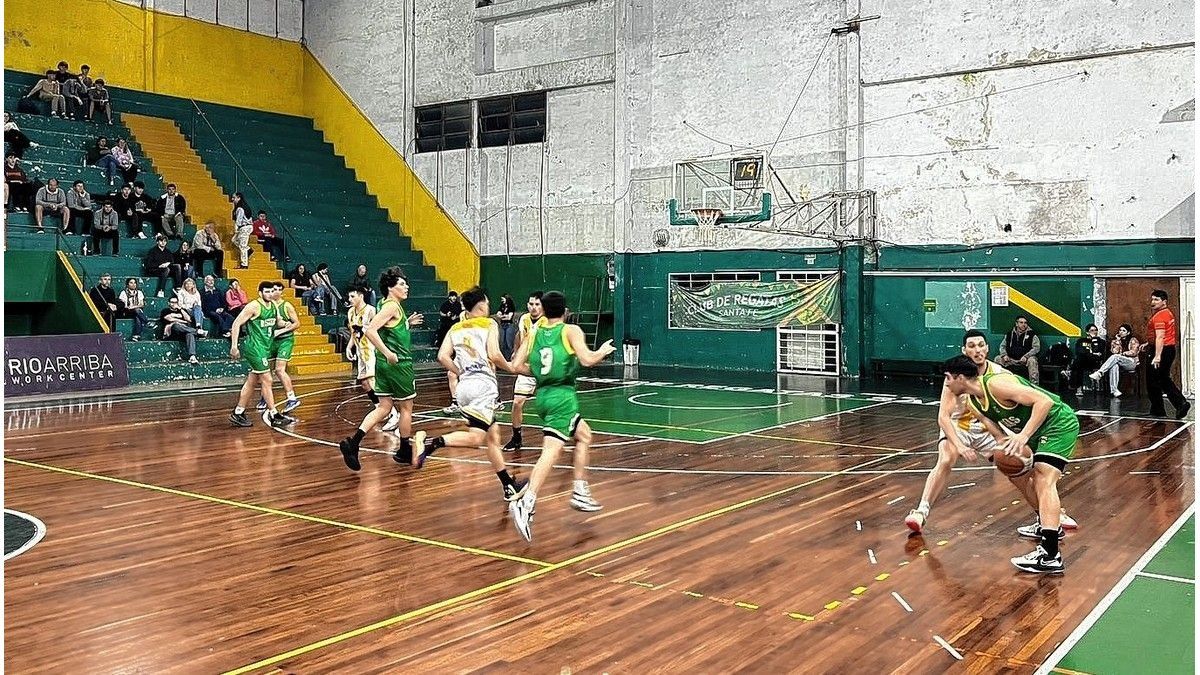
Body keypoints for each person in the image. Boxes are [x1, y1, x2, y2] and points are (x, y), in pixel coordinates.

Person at [906, 330, 1078, 535]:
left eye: (980, 345)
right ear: (964, 350)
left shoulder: (999, 376)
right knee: (945, 459)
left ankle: (1047, 515)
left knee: (1020, 472)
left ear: (987, 348)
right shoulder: (954, 377)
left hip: (988, 427)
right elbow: (943, 416)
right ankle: (921, 512)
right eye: (971, 346)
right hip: (959, 426)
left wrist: (1011, 439)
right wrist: (960, 446)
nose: (977, 350)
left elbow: (1026, 405)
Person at [943, 354, 1079, 574]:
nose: (947, 383)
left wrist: (1023, 436)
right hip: (1038, 431)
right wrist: (1002, 442)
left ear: (960, 377)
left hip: (1057, 423)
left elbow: (1044, 401)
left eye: (948, 378)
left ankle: (1050, 554)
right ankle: (1049, 527)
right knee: (1028, 477)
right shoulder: (973, 401)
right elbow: (989, 421)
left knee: (1044, 479)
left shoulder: (997, 383)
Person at [506, 291, 616, 540]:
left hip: (542, 395)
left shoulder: (534, 333)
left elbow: (515, 366)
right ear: (565, 311)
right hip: (561, 396)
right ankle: (527, 502)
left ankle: (579, 489)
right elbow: (587, 360)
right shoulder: (570, 331)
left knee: (584, 435)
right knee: (552, 451)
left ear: (543, 310)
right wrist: (602, 351)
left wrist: (540, 373)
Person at [413, 286, 527, 501]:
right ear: (482, 304)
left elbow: (442, 356)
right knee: (476, 439)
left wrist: (460, 371)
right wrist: (511, 367)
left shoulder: (456, 328)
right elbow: (494, 354)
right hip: (482, 387)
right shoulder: (489, 324)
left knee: (492, 437)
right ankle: (429, 444)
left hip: (464, 388)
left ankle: (508, 485)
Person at [338, 267, 425, 471]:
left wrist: (407, 323)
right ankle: (404, 450)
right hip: (398, 364)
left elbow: (389, 329)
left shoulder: (387, 305)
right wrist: (388, 353)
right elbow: (370, 331)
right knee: (406, 408)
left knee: (384, 407)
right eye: (402, 284)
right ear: (390, 287)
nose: (407, 287)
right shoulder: (391, 306)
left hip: (385, 366)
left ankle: (354, 442)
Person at [228, 282, 295, 429]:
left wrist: (285, 325)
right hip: (254, 348)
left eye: (272, 291)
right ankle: (274, 414)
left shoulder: (274, 306)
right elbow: (236, 323)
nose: (270, 294)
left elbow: (277, 322)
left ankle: (238, 412)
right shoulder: (253, 306)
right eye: (267, 292)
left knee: (252, 381)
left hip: (265, 347)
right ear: (260, 293)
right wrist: (234, 346)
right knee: (267, 379)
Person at [504, 291, 545, 451]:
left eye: (537, 304)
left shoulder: (548, 321)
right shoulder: (524, 319)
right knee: (517, 402)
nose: (533, 307)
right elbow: (519, 336)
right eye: (531, 304)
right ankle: (516, 437)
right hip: (527, 367)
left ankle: (567, 431)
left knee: (551, 404)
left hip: (544, 367)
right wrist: (516, 351)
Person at [1143, 290, 1190, 419]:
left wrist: (1157, 356)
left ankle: (1167, 407)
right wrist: (1148, 343)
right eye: (1152, 299)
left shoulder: (1159, 316)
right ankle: (1176, 404)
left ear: (1164, 301)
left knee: (1153, 381)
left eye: (1156, 300)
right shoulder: (1168, 313)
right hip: (1167, 349)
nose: (1153, 302)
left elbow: (1160, 337)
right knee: (1162, 379)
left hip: (1161, 350)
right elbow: (1163, 335)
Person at [256, 281, 301, 414]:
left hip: (284, 340)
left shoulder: (286, 305)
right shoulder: (267, 306)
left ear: (281, 292)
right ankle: (265, 397)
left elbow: (297, 323)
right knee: (264, 372)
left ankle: (292, 398)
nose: (274, 292)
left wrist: (282, 330)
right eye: (272, 289)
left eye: (277, 290)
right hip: (270, 341)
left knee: (279, 370)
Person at [1090, 324, 1141, 396]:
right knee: (1114, 366)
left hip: (1131, 362)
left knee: (1116, 357)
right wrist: (1117, 341)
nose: (1121, 332)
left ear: (1128, 333)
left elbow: (1134, 352)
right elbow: (1114, 352)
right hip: (1120, 362)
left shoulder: (1133, 340)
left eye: (1124, 331)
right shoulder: (1115, 341)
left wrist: (1123, 354)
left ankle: (1100, 372)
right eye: (1120, 330)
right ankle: (1114, 390)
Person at [997, 316, 1041, 385]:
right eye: (1021, 322)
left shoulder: (1032, 334)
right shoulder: (1009, 334)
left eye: (1025, 323)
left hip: (1025, 360)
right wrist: (1004, 355)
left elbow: (1036, 348)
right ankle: (998, 383)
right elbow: (1002, 346)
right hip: (1011, 359)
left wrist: (1026, 356)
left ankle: (1034, 385)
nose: (1024, 324)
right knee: (998, 358)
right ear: (1016, 324)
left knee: (1032, 360)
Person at [160, 296, 204, 364]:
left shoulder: (181, 311)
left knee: (189, 334)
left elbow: (188, 319)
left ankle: (192, 356)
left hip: (184, 331)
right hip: (173, 332)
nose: (174, 304)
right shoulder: (165, 311)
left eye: (176, 302)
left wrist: (180, 309)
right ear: (169, 303)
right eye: (172, 302)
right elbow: (169, 319)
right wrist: (182, 322)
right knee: (176, 325)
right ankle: (197, 331)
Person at [1067, 323, 1107, 396]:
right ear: (1087, 332)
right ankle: (1079, 388)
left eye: (1095, 330)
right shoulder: (1081, 341)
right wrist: (1093, 354)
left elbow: (1100, 354)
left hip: (1094, 362)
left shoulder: (1101, 342)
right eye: (1092, 330)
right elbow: (1079, 352)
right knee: (1079, 361)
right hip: (1083, 361)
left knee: (1078, 362)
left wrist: (1094, 340)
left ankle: (1070, 375)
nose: (1094, 332)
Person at [231, 193, 254, 269]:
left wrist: (236, 229)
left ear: (239, 198)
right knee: (234, 240)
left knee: (242, 246)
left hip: (244, 227)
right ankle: (248, 250)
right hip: (246, 227)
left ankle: (244, 264)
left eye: (234, 198)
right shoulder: (245, 206)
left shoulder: (240, 208)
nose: (232, 199)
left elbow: (239, 221)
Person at [496, 293, 517, 359]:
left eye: (503, 299)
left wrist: (502, 316)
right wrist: (504, 316)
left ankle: (510, 358)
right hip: (502, 325)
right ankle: (504, 359)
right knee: (502, 343)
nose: (502, 300)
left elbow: (509, 317)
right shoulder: (502, 306)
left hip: (509, 325)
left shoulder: (510, 306)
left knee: (509, 343)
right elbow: (498, 315)